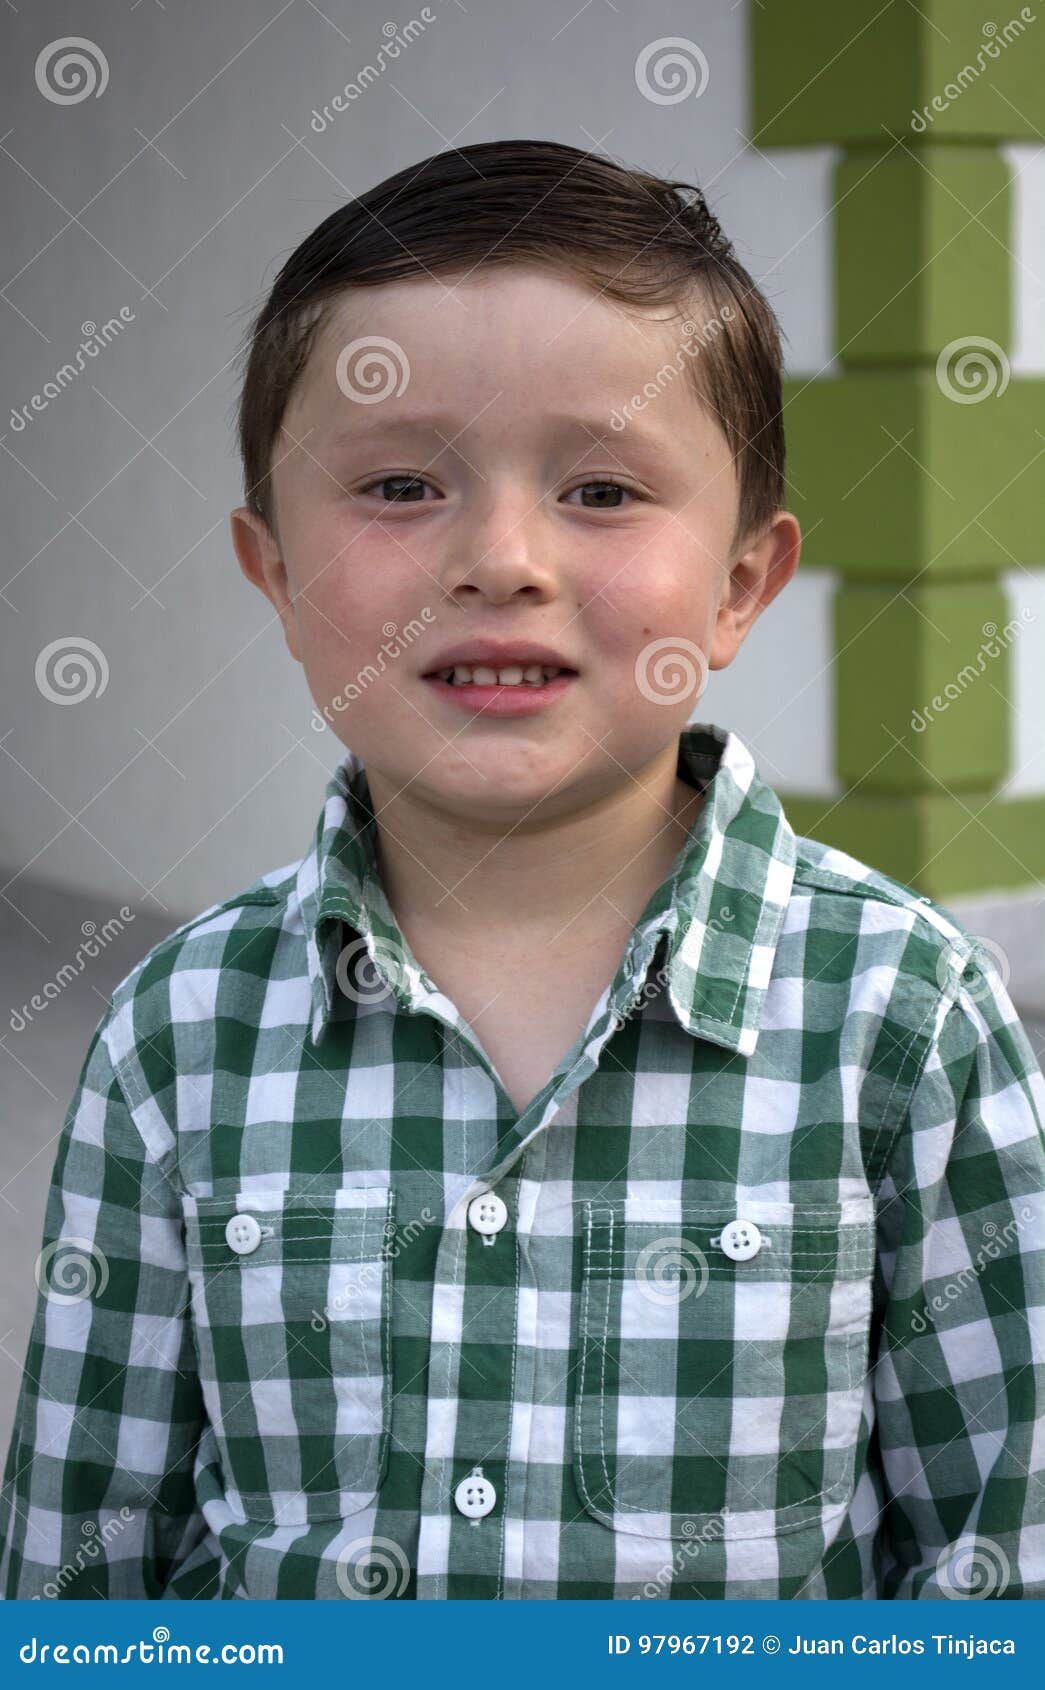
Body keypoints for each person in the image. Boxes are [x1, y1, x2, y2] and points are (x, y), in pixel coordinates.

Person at [2, 139, 1043, 1601]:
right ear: (278, 574)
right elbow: (79, 1576)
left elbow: (1001, 1565)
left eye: (604, 489)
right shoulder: (174, 1039)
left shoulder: (908, 1016)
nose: (499, 557)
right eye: (402, 481)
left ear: (742, 579)